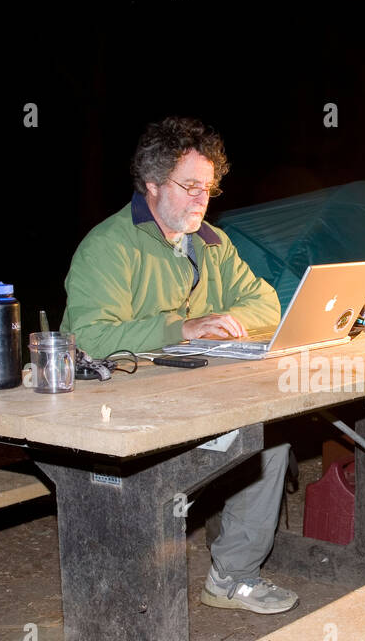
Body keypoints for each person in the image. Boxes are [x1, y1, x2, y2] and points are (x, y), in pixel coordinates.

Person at [60, 117, 299, 614]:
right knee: (249, 440)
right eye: (188, 186)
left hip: (191, 392)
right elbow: (90, 339)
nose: (200, 200)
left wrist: (227, 318)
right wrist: (183, 328)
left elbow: (267, 306)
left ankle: (231, 577)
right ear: (151, 182)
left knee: (267, 437)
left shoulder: (212, 243)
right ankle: (126, 597)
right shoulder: (108, 246)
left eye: (207, 188)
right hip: (115, 407)